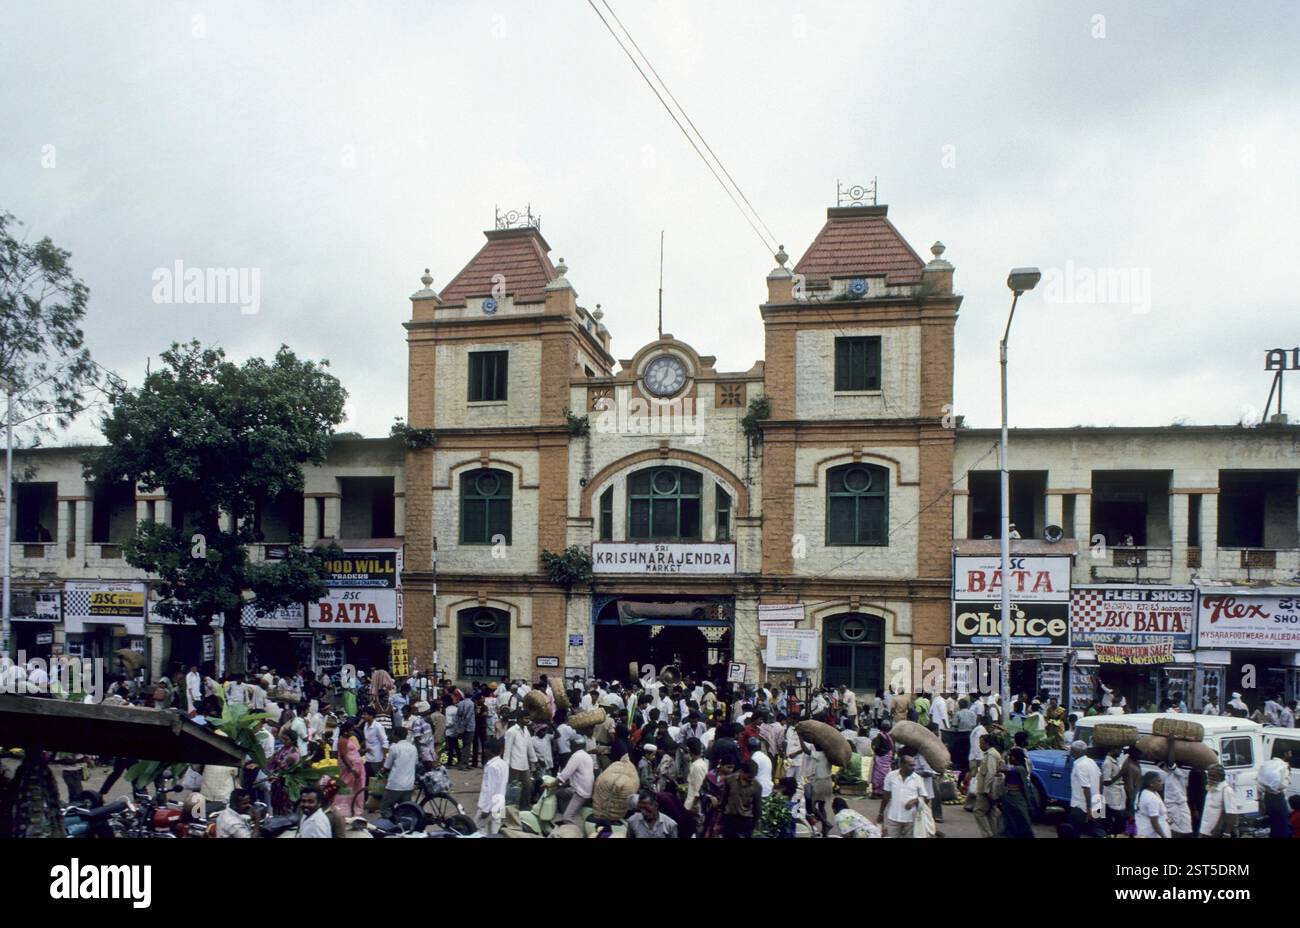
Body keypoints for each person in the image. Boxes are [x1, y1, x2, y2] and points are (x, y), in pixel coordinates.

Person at [879, 752, 924, 838]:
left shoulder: (917, 778)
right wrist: (881, 813)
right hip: (893, 817)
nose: (913, 768)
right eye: (910, 765)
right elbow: (886, 796)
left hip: (911, 818)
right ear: (902, 765)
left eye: (914, 765)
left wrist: (914, 801)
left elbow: (925, 797)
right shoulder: (891, 776)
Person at [1066, 741, 1104, 838]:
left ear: (1074, 752)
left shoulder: (1080, 765)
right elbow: (1101, 778)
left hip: (1081, 805)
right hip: (1097, 801)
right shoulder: (1091, 761)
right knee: (1097, 830)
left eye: (1071, 750)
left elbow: (1086, 787)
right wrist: (1098, 796)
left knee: (1074, 831)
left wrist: (1088, 808)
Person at [554, 735, 595, 824]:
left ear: (574, 745)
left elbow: (565, 774)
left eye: (571, 744)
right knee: (560, 793)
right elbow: (578, 774)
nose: (570, 746)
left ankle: (569, 823)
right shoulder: (586, 755)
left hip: (581, 792)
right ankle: (567, 811)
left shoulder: (576, 756)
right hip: (584, 789)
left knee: (567, 818)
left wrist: (551, 784)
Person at [718, 760, 763, 838]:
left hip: (745, 821)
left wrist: (754, 824)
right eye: (749, 776)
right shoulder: (730, 780)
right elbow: (724, 800)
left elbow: (757, 808)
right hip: (730, 819)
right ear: (742, 772)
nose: (751, 779)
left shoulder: (757, 786)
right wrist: (720, 818)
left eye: (753, 777)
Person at [380, 727, 419, 814]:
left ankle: (387, 825)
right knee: (405, 809)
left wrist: (382, 771)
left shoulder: (394, 748)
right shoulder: (413, 748)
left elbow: (387, 766)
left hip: (395, 785)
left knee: (385, 807)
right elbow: (415, 763)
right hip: (409, 784)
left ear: (396, 736)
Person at [502, 713, 537, 808]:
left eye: (528, 718)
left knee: (528, 786)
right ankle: (509, 807)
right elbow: (507, 749)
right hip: (513, 764)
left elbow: (530, 747)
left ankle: (524, 806)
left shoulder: (526, 730)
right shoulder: (511, 731)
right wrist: (506, 764)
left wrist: (534, 760)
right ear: (519, 719)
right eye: (525, 718)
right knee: (513, 787)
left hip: (524, 764)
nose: (527, 721)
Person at [971, 733, 1003, 838]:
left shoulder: (991, 755)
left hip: (986, 790)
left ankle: (987, 834)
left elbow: (990, 773)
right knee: (991, 813)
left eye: (981, 743)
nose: (980, 746)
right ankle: (994, 833)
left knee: (978, 812)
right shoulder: (992, 754)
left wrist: (987, 789)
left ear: (987, 744)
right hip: (990, 789)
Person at [333, 718, 366, 818]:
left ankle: (353, 807)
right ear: (346, 731)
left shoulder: (347, 739)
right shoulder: (342, 740)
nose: (352, 732)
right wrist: (352, 769)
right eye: (351, 730)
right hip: (350, 768)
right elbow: (343, 756)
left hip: (356, 766)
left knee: (355, 788)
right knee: (347, 786)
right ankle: (343, 808)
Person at [1257, 748, 1292, 838]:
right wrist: (1287, 780)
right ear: (1285, 753)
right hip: (1278, 796)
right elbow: (1282, 784)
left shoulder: (1266, 764)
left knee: (1274, 822)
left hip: (1267, 797)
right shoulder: (1283, 766)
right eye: (1289, 753)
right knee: (1283, 824)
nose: (1290, 755)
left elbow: (1259, 783)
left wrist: (1260, 802)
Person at [1001, 747, 1036, 838]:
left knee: (1022, 821)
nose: (1010, 758)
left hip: (1016, 798)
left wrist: (1003, 758)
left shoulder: (1020, 769)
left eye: (1011, 756)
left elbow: (1003, 769)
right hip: (1010, 798)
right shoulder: (1016, 768)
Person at [476, 737, 508, 835]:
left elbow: (489, 789)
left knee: (478, 828)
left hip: (489, 806)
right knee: (495, 830)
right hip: (500, 805)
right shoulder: (503, 764)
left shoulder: (491, 767)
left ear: (488, 750)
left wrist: (485, 809)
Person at [1198, 764, 1237, 838]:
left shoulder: (1227, 790)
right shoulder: (1211, 788)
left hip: (1216, 832)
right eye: (1209, 775)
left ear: (1221, 776)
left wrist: (1226, 833)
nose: (1210, 778)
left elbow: (1232, 814)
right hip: (1205, 831)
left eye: (1213, 776)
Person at [1159, 762, 1192, 838]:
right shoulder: (1169, 774)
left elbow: (1170, 764)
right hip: (1170, 807)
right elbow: (1158, 763)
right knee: (1171, 828)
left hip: (1180, 808)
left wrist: (1171, 749)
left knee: (1183, 830)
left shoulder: (1181, 773)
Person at [1135, 771, 1171, 838]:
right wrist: (1164, 836)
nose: (1162, 783)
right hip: (1149, 833)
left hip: (1142, 828)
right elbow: (1154, 823)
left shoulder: (1143, 792)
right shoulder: (1152, 799)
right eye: (1159, 781)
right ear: (1151, 784)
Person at [1102, 746, 1127, 835]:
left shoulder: (1115, 760)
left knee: (1119, 817)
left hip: (1119, 791)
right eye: (1119, 749)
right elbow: (1106, 782)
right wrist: (1119, 775)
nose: (1121, 752)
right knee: (1117, 817)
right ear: (1112, 750)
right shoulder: (1108, 763)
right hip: (1113, 792)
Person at [361, 706, 388, 781]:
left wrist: (385, 759)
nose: (363, 716)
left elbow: (385, 742)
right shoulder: (365, 725)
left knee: (375, 780)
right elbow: (367, 739)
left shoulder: (378, 727)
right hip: (367, 757)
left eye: (365, 714)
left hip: (376, 759)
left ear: (371, 716)